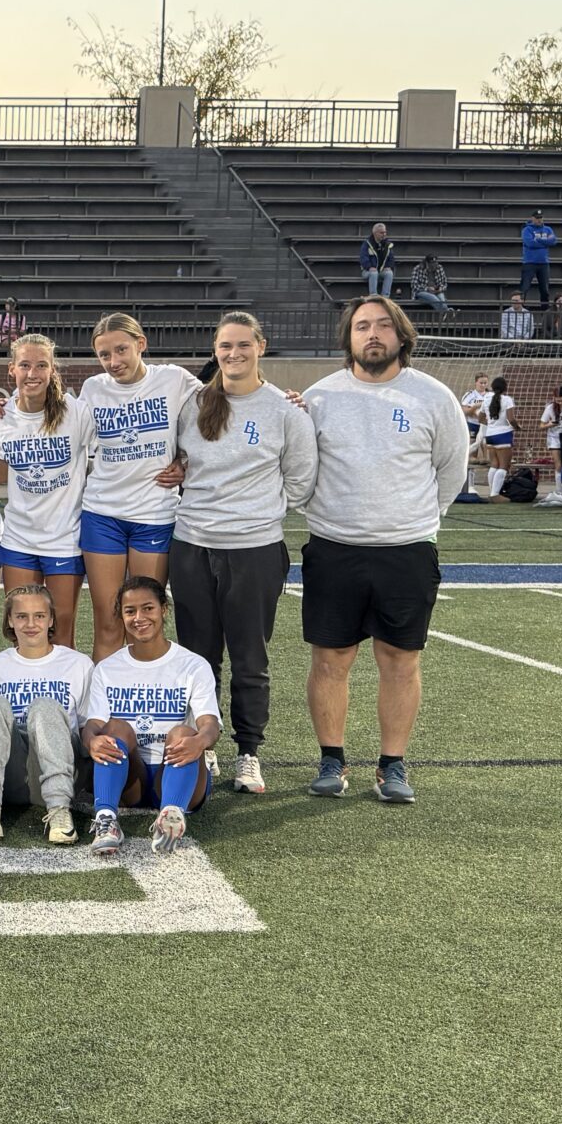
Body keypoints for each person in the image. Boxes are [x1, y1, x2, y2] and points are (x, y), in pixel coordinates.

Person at [300, 296, 465, 805]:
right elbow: (300, 470)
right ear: (347, 337)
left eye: (383, 326)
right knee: (331, 659)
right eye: (362, 326)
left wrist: (411, 521)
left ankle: (392, 766)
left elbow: (452, 471)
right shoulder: (319, 397)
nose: (372, 334)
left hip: (407, 550)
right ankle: (332, 759)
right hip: (334, 546)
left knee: (400, 660)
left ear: (401, 335)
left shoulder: (433, 397)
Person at [169, 311, 316, 796]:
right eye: (225, 346)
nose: (233, 354)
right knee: (199, 657)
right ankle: (204, 744)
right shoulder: (193, 404)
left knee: (250, 658)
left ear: (261, 347)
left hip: (254, 550)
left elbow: (300, 480)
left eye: (242, 345)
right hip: (191, 545)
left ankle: (248, 752)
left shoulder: (284, 409)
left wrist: (254, 511)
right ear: (215, 350)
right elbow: (173, 461)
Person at [77, 312, 203, 662]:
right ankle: (100, 711)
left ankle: (146, 700)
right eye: (105, 355)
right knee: (109, 623)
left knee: (145, 620)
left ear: (141, 344)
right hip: (103, 515)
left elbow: (215, 414)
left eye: (121, 350)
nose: (113, 362)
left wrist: (185, 461)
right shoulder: (93, 388)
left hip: (155, 515)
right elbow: (60, 424)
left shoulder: (174, 380)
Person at [81, 577, 221, 856]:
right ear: (121, 616)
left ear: (164, 610)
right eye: (130, 611)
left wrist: (201, 741)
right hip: (131, 777)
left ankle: (171, 814)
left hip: (177, 770)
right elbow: (92, 725)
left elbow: (210, 724)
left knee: (183, 733)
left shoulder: (193, 665)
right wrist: (90, 742)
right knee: (114, 728)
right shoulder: (108, 668)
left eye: (148, 608)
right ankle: (106, 820)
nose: (139, 618)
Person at [0, 584, 91, 843]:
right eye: (21, 616)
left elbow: (87, 728)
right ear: (10, 622)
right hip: (10, 778)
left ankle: (60, 811)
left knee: (45, 706)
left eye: (39, 615)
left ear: (50, 619)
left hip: (63, 772)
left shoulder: (78, 664)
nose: (31, 624)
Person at [0, 333, 84, 650]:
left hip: (64, 539)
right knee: (22, 628)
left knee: (61, 630)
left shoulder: (76, 412)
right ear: (11, 370)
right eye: (25, 365)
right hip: (19, 538)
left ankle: (67, 699)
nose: (33, 374)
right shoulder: (0, 418)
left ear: (52, 370)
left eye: (41, 365)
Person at [477, 377, 517, 499]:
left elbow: (480, 418)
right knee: (504, 466)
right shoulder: (507, 400)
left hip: (490, 434)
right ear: (505, 387)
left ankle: (492, 492)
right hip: (503, 435)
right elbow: (511, 419)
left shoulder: (487, 399)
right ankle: (495, 494)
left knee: (494, 464)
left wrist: (491, 425)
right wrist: (518, 427)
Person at [519, 208, 556, 308]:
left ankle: (545, 311)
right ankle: (520, 309)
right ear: (532, 218)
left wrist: (538, 240)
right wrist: (545, 243)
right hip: (529, 262)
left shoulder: (548, 229)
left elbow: (553, 241)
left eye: (541, 218)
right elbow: (530, 243)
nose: (539, 220)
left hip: (544, 263)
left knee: (545, 289)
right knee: (524, 287)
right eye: (537, 218)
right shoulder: (527, 230)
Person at [359, 223, 395, 297]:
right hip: (367, 271)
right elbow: (363, 258)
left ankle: (385, 297)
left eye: (385, 232)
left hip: (381, 270)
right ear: (375, 233)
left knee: (389, 273)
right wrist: (369, 267)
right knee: (374, 273)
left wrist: (389, 266)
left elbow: (391, 258)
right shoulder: (366, 244)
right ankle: (373, 295)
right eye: (381, 233)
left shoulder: (387, 244)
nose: (384, 234)